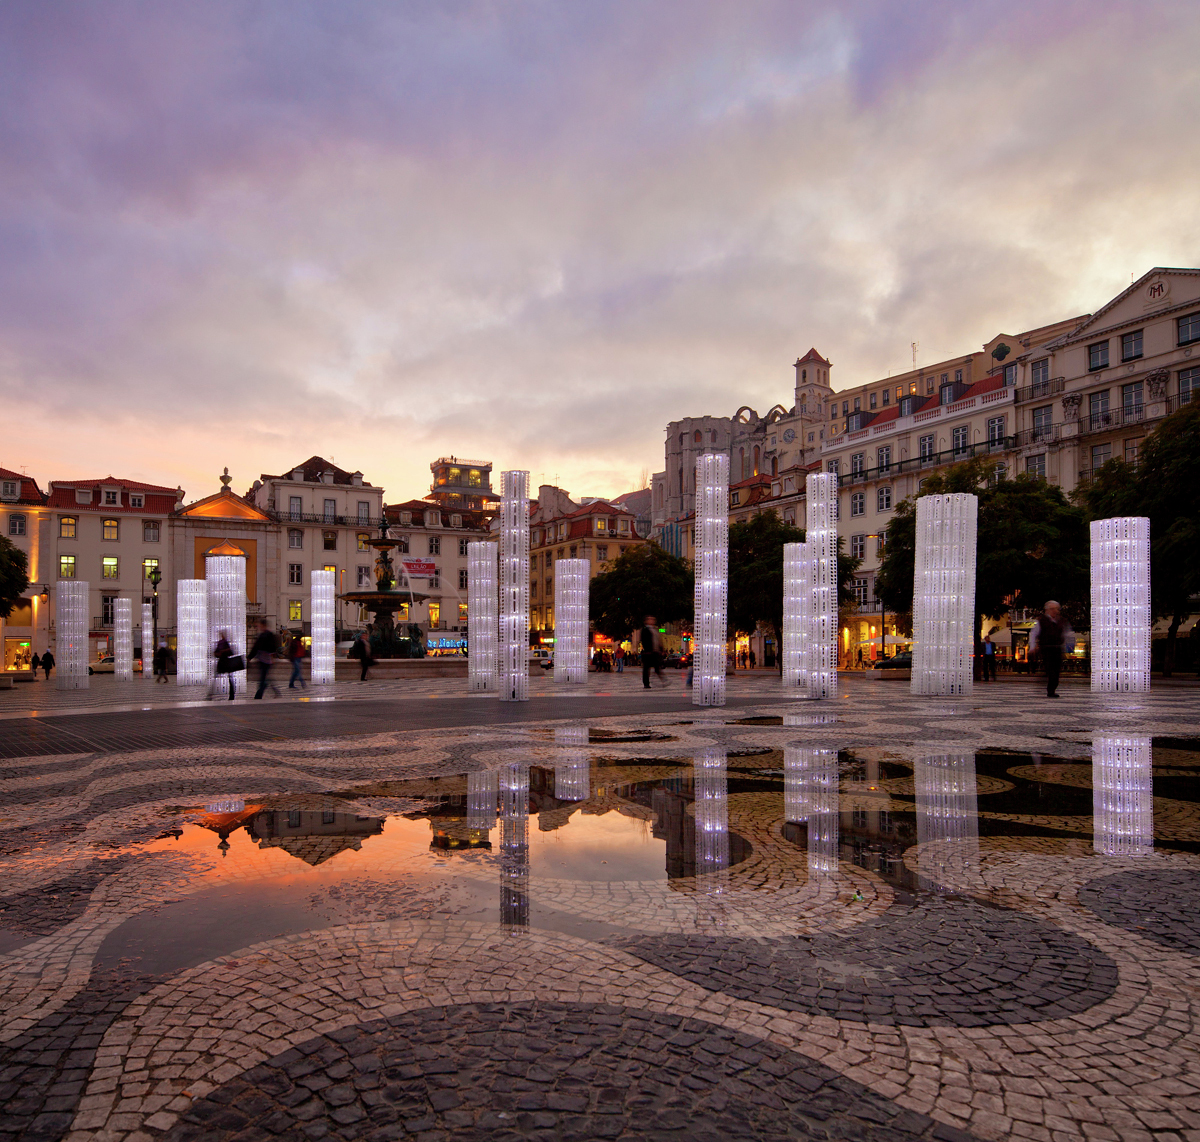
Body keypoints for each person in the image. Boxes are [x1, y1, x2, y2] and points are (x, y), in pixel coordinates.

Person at [1028, 601, 1072, 698]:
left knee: (1056, 670)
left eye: (1056, 609)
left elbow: (1067, 633)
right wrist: (1032, 647)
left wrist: (1068, 646)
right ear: (1047, 610)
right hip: (1046, 648)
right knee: (1050, 669)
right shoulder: (1041, 621)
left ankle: (1051, 686)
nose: (1055, 611)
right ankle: (1050, 690)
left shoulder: (1062, 621)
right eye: (1053, 609)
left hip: (1057, 648)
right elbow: (1034, 634)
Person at [248, 619, 281, 699]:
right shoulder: (269, 635)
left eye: (260, 625)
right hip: (267, 660)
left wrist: (249, 657)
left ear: (263, 625)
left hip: (263, 659)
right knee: (265, 677)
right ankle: (274, 691)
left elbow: (256, 648)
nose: (259, 627)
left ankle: (258, 696)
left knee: (263, 678)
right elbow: (274, 648)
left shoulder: (263, 635)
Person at [209, 631, 237, 700]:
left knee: (227, 678)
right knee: (230, 678)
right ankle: (231, 695)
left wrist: (221, 652)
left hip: (223, 662)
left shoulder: (222, 643)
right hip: (225, 662)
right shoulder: (223, 642)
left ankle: (211, 694)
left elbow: (218, 652)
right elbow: (229, 652)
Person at [640, 616, 666, 689]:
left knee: (657, 667)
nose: (653, 621)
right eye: (651, 619)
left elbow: (658, 641)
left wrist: (661, 649)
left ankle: (663, 680)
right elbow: (644, 641)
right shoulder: (645, 630)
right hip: (648, 652)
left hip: (655, 652)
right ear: (647, 621)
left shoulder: (655, 630)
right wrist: (648, 649)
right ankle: (646, 683)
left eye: (653, 619)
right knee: (646, 668)